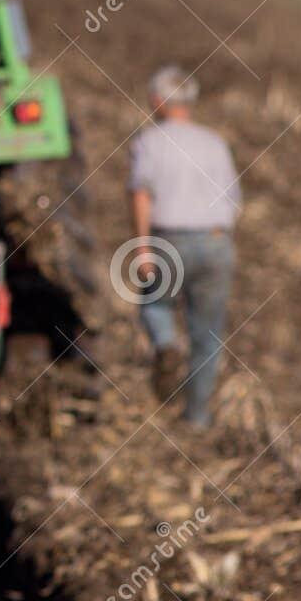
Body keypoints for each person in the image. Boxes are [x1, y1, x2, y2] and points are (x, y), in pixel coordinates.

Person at [126, 65, 240, 428]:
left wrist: (142, 247)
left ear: (158, 101)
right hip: (217, 242)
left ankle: (165, 344)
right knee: (207, 336)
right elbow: (234, 199)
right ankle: (197, 418)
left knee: (154, 304)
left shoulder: (150, 141)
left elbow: (141, 194)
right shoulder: (214, 143)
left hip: (171, 241)